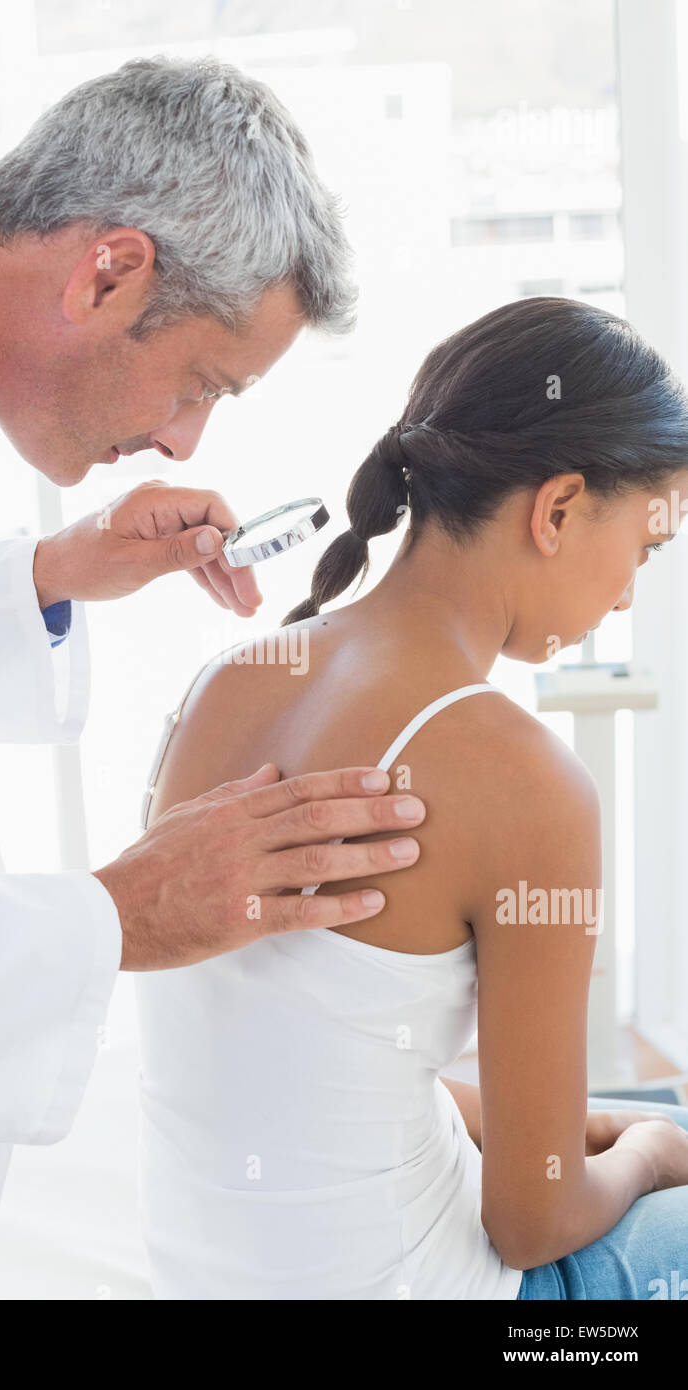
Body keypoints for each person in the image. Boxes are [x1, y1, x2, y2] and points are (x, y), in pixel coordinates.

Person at [0, 57, 426, 1300]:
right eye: (202, 383)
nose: (182, 440)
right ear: (109, 271)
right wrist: (116, 915)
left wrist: (48, 575)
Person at [135, 295, 688, 1300]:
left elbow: (309, 1054)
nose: (625, 596)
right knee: (665, 1133)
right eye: (644, 547)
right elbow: (532, 1222)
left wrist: (596, 1126)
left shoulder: (221, 684)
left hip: (208, 1270)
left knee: (637, 1111)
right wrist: (647, 1151)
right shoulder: (522, 781)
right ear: (556, 508)